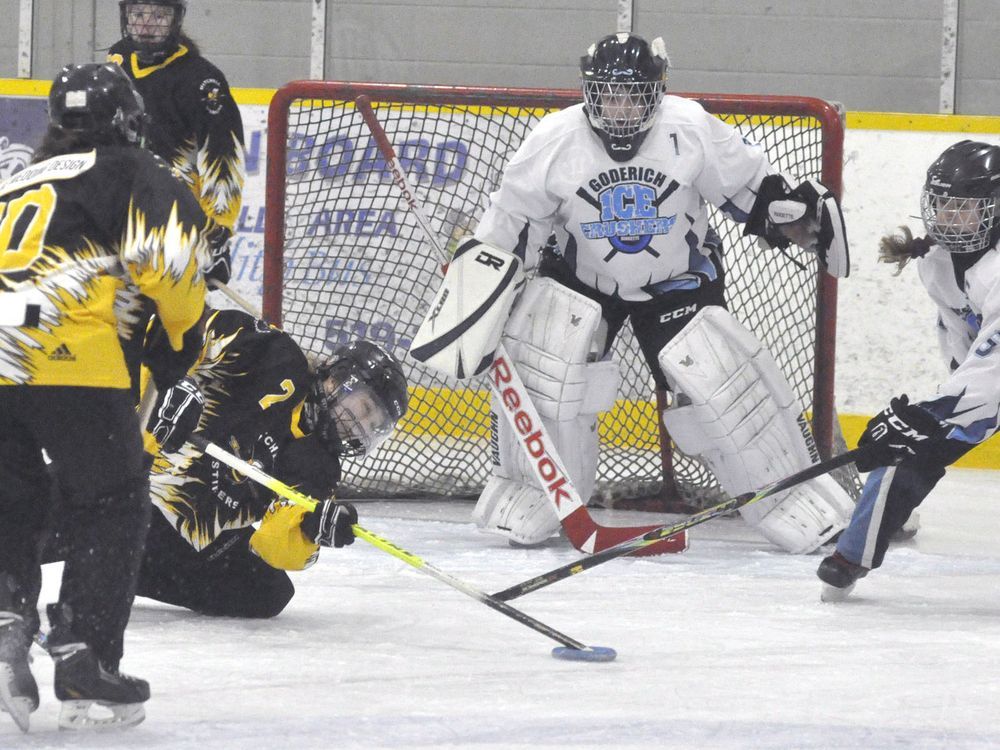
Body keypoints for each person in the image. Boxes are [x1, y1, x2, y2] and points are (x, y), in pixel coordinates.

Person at [410, 32, 855, 553]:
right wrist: (480, 271)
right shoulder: (555, 138)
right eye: (607, 94)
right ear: (588, 92)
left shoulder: (690, 128)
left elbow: (749, 192)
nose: (619, 108)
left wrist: (790, 219)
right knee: (552, 384)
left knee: (725, 389)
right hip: (582, 282)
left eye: (632, 95)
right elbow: (513, 218)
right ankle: (534, 494)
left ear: (657, 91)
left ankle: (789, 500)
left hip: (678, 281)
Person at [0, 62, 207, 732]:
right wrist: (184, 338)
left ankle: (6, 619)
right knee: (112, 500)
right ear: (127, 119)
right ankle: (86, 656)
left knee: (13, 498)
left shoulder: (13, 184)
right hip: (72, 362)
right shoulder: (130, 168)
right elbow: (168, 265)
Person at [44, 310, 409, 619]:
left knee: (267, 591)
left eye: (374, 425)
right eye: (364, 408)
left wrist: (311, 530)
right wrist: (176, 382)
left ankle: (124, 564)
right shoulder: (276, 355)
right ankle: (95, 544)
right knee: (20, 521)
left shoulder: (320, 465)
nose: (361, 427)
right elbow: (186, 330)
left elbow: (273, 545)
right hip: (129, 481)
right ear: (336, 378)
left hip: (176, 541)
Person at [818, 139, 1000, 600]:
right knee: (907, 449)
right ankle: (849, 558)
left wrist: (933, 414)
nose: (945, 219)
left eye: (963, 209)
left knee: (916, 429)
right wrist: (932, 423)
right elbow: (965, 344)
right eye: (941, 205)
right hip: (987, 382)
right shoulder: (937, 263)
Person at [108, 0, 246, 378]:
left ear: (176, 20)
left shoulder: (202, 81)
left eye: (158, 15)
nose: (147, 24)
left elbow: (223, 163)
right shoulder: (115, 63)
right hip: (117, 226)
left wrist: (216, 235)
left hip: (172, 232)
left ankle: (149, 430)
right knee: (111, 335)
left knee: (167, 344)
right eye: (138, 14)